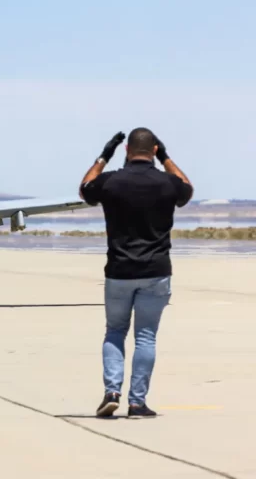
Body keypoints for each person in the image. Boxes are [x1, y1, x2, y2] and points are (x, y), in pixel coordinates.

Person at [79, 128, 193, 418]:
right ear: (153, 150)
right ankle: (137, 402)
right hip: (155, 271)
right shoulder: (167, 183)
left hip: (119, 271)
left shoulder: (111, 181)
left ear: (127, 150)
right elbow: (187, 188)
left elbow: (85, 189)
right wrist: (166, 157)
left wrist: (104, 155)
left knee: (115, 331)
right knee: (145, 337)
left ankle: (112, 391)